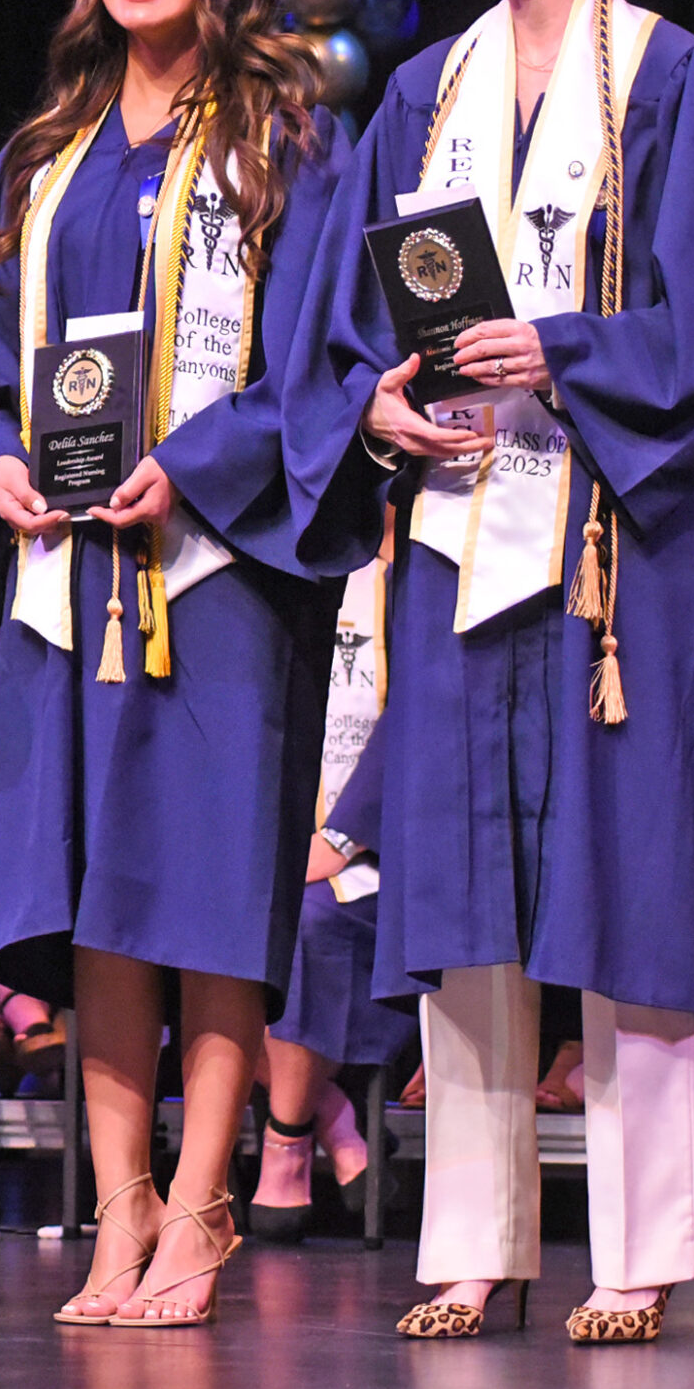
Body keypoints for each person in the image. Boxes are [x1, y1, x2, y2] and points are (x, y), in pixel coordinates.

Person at [293, 0, 694, 1342]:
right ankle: (477, 1237)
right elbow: (347, 318)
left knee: (624, 887)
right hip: (454, 542)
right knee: (458, 896)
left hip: (607, 555)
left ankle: (636, 1249)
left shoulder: (670, 79)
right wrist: (380, 404)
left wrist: (560, 349)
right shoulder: (423, 94)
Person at [0, 0, 350, 1328]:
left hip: (215, 576)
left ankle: (207, 1199)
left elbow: (317, 360)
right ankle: (118, 1211)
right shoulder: (42, 152)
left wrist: (196, 459)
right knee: (101, 902)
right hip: (63, 580)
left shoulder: (281, 139)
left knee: (208, 901)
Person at [249, 515, 417, 1241]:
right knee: (194, 927)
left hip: (381, 851)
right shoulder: (281, 557)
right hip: (270, 831)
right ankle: (339, 1121)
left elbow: (421, 717)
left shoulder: (420, 568)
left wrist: (345, 833)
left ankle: (286, 1139)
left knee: (307, 924)